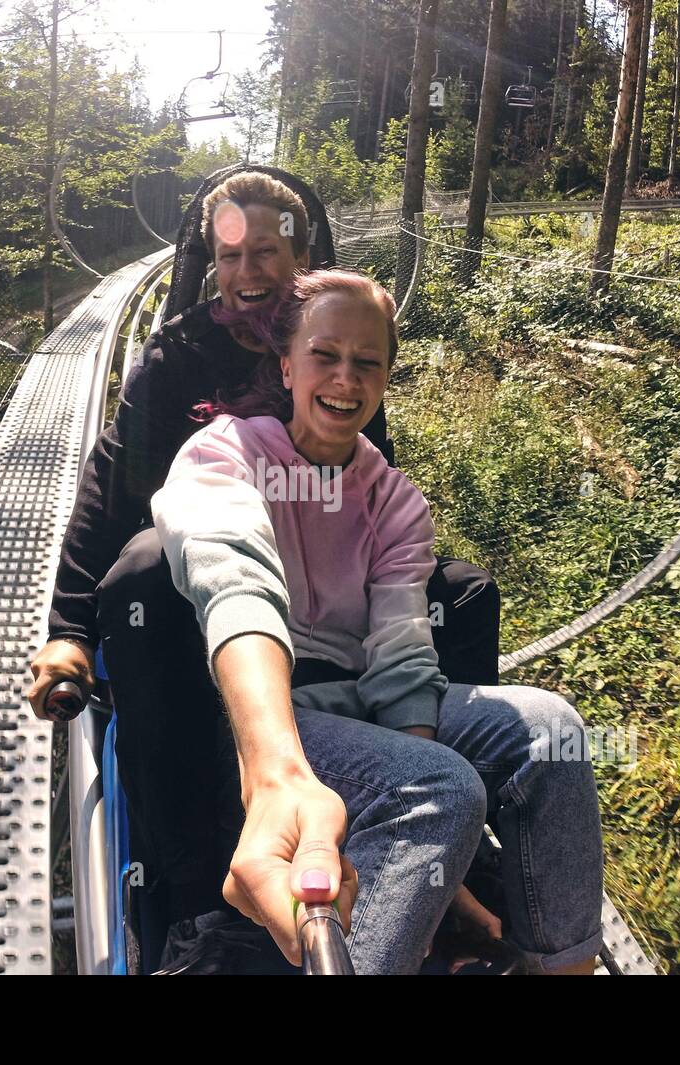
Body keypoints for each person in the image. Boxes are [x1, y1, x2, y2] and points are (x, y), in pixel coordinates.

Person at [26, 170, 500, 932]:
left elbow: (368, 482)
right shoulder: (175, 361)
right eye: (231, 255)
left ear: (301, 258)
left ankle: (450, 840)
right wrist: (68, 627)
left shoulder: (333, 347)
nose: (250, 273)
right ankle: (186, 888)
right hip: (201, 581)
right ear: (212, 263)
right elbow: (108, 487)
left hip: (323, 587)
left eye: (269, 252)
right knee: (144, 567)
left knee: (466, 592)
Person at [148, 269, 606, 974]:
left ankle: (559, 961)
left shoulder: (392, 499)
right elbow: (233, 573)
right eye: (325, 356)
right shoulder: (228, 452)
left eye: (368, 363)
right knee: (440, 786)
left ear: (387, 377)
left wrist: (437, 860)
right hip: (273, 714)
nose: (345, 378)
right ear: (287, 366)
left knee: (551, 731)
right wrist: (276, 764)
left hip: (360, 704)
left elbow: (400, 652)